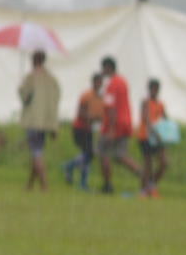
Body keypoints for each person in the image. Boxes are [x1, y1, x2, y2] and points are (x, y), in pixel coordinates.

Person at [18, 49, 62, 192]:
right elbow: (56, 100)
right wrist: (54, 125)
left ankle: (44, 185)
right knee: (38, 151)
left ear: (33, 60)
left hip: (33, 120)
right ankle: (29, 185)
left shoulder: (30, 77)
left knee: (36, 152)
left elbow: (25, 97)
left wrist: (21, 89)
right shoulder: (52, 79)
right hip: (47, 121)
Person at [95, 56, 141, 196]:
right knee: (120, 155)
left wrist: (111, 130)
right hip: (125, 122)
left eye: (103, 68)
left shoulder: (112, 85)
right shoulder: (123, 82)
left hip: (114, 125)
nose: (102, 71)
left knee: (104, 153)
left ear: (108, 68)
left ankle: (108, 185)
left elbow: (111, 108)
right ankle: (145, 178)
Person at [137, 77, 173, 197]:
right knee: (148, 164)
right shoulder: (145, 102)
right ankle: (143, 190)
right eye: (152, 89)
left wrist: (169, 133)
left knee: (164, 162)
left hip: (157, 137)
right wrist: (154, 132)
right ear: (149, 89)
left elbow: (165, 119)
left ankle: (152, 185)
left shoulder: (160, 104)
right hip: (145, 136)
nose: (154, 91)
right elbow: (146, 119)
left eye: (156, 89)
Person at [66, 70, 101, 191]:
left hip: (90, 129)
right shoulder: (86, 95)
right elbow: (81, 112)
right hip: (80, 128)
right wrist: (90, 117)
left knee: (88, 154)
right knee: (89, 153)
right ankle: (81, 180)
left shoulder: (101, 98)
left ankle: (71, 167)